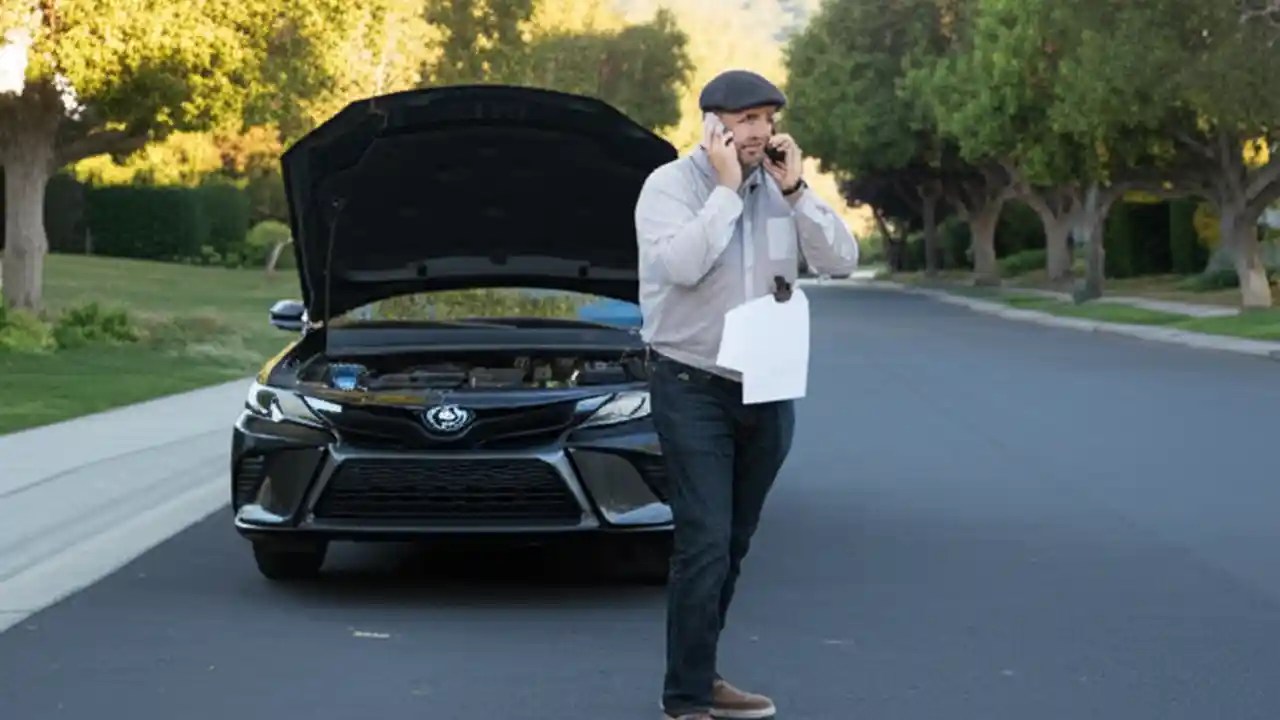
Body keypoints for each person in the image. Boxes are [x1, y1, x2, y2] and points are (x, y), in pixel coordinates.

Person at [633, 69, 860, 720]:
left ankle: (703, 677)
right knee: (703, 541)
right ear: (713, 125)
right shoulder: (669, 187)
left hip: (767, 384)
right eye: (747, 119)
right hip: (689, 380)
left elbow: (841, 259)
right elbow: (681, 265)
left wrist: (797, 191)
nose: (759, 131)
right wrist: (728, 191)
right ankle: (684, 701)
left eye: (768, 118)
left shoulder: (783, 190)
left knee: (732, 542)